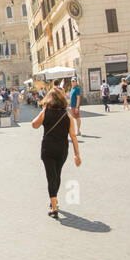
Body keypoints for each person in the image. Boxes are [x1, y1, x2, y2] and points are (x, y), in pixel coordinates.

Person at [31, 86, 81, 219]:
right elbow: (73, 136)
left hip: (48, 149)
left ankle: (54, 207)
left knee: (50, 176)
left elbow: (34, 124)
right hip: (62, 149)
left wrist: (43, 110)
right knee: (56, 175)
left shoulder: (46, 111)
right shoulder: (67, 115)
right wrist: (77, 154)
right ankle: (54, 200)